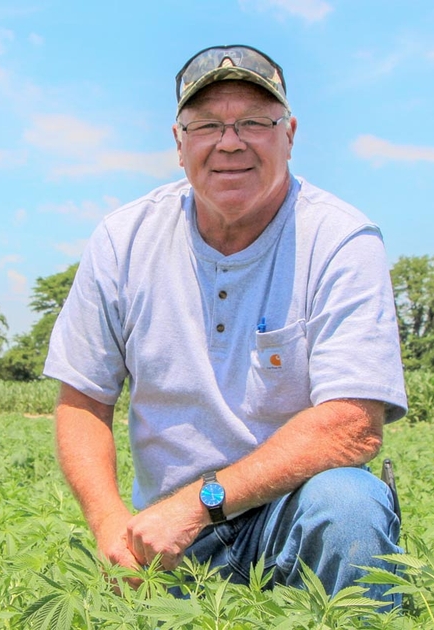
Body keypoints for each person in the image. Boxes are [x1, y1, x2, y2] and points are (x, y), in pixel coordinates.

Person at [43, 44, 408, 605]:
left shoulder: (339, 240)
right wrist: (110, 525)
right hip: (167, 539)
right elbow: (83, 399)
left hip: (288, 512)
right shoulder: (124, 240)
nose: (229, 142)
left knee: (351, 505)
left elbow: (351, 425)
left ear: (288, 134)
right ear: (179, 142)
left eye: (253, 123)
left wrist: (200, 505)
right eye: (207, 124)